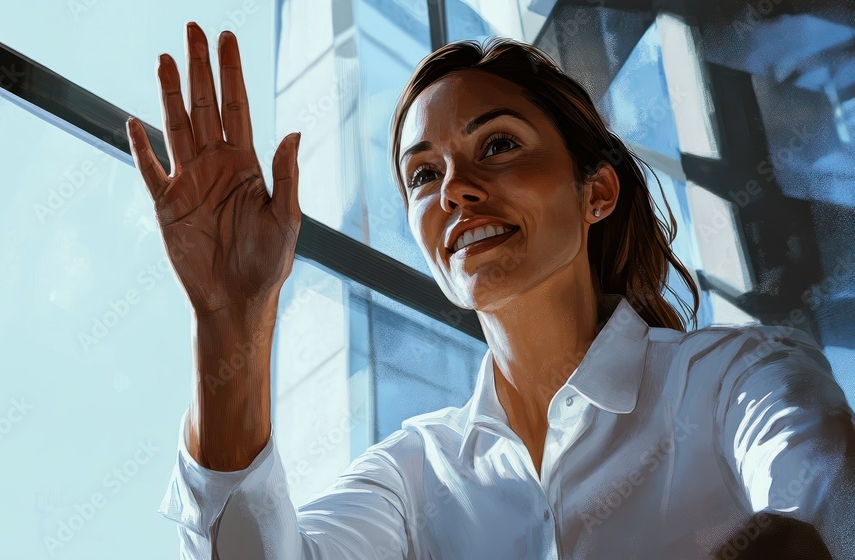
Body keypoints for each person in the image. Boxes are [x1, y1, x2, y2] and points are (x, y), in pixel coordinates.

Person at [125, 22, 855, 559]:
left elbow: (824, 519)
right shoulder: (413, 474)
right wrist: (232, 320)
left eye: (497, 146)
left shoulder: (738, 379)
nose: (457, 192)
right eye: (423, 175)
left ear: (596, 191)